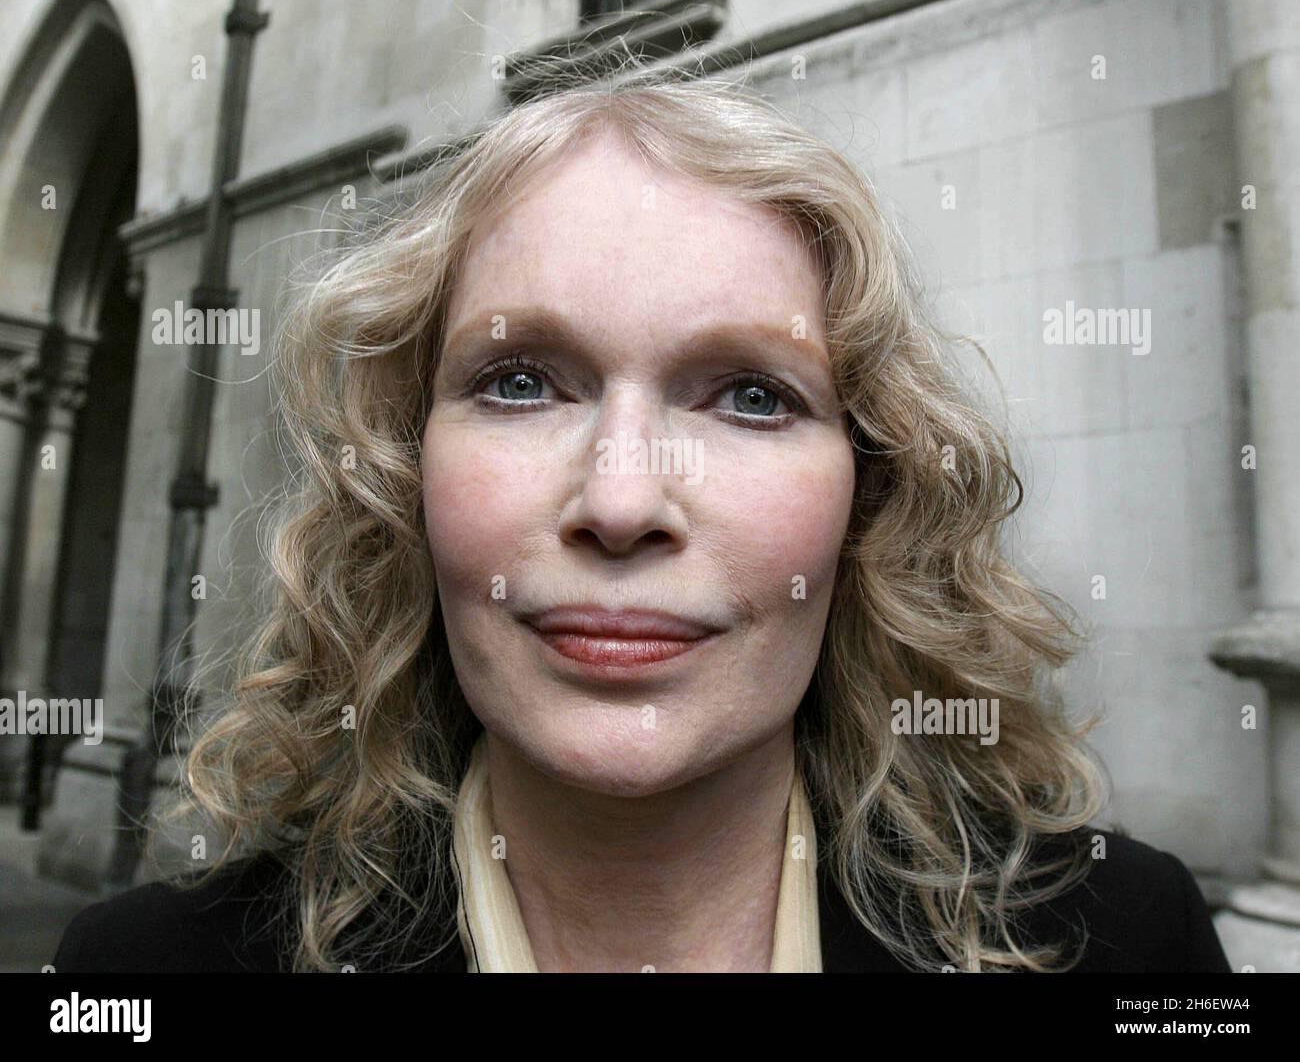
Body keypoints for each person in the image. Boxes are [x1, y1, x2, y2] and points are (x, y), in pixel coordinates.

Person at [53, 67, 1231, 974]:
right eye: (520, 382)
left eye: (752, 397)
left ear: (868, 497)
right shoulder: (141, 975)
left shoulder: (1129, 944)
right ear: (402, 474)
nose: (620, 501)